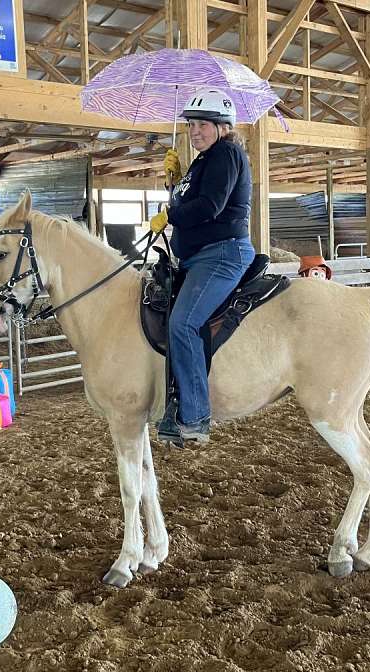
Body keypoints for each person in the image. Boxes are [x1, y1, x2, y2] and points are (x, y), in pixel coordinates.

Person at [149, 88, 256, 445]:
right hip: (199, 257)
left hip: (222, 254)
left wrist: (171, 212)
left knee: (183, 322)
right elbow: (193, 198)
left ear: (223, 126)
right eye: (191, 125)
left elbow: (210, 205)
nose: (195, 132)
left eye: (202, 125)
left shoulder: (226, 153)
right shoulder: (202, 160)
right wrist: (174, 184)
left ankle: (194, 415)